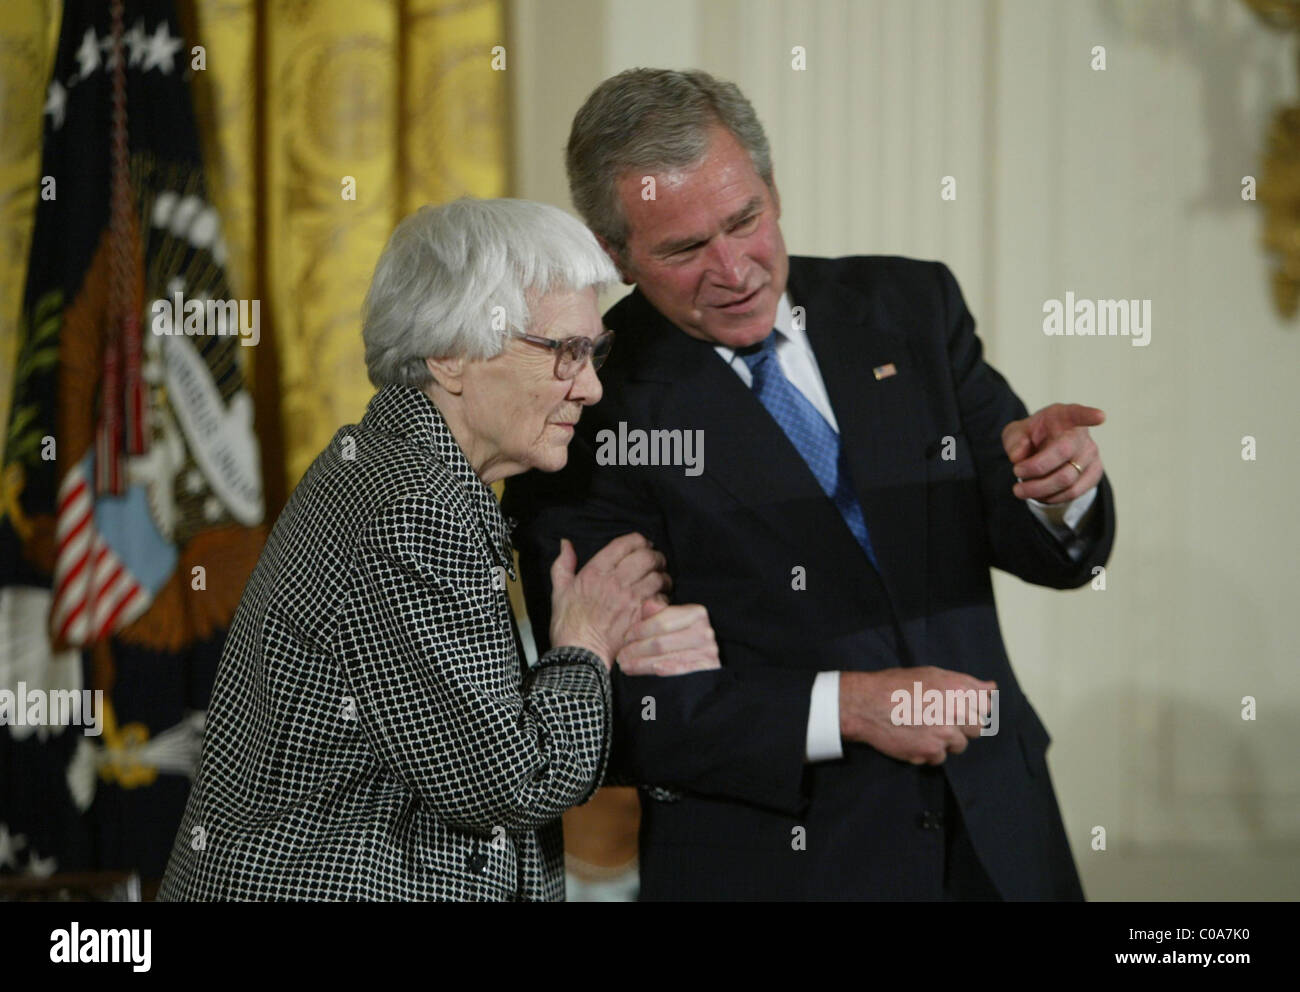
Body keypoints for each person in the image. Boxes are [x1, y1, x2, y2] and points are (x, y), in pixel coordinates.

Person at [504, 69, 1116, 900]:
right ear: (614, 254)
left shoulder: (910, 305)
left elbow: (1049, 553)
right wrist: (849, 706)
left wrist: (1058, 491)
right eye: (685, 250)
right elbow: (609, 715)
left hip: (1000, 836)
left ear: (773, 188)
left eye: (745, 220)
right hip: (786, 864)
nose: (733, 269)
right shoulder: (587, 409)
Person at [157, 197, 719, 902]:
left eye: (595, 351)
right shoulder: (413, 508)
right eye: (565, 353)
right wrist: (583, 643)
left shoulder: (386, 466)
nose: (592, 386)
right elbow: (511, 781)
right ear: (453, 355)